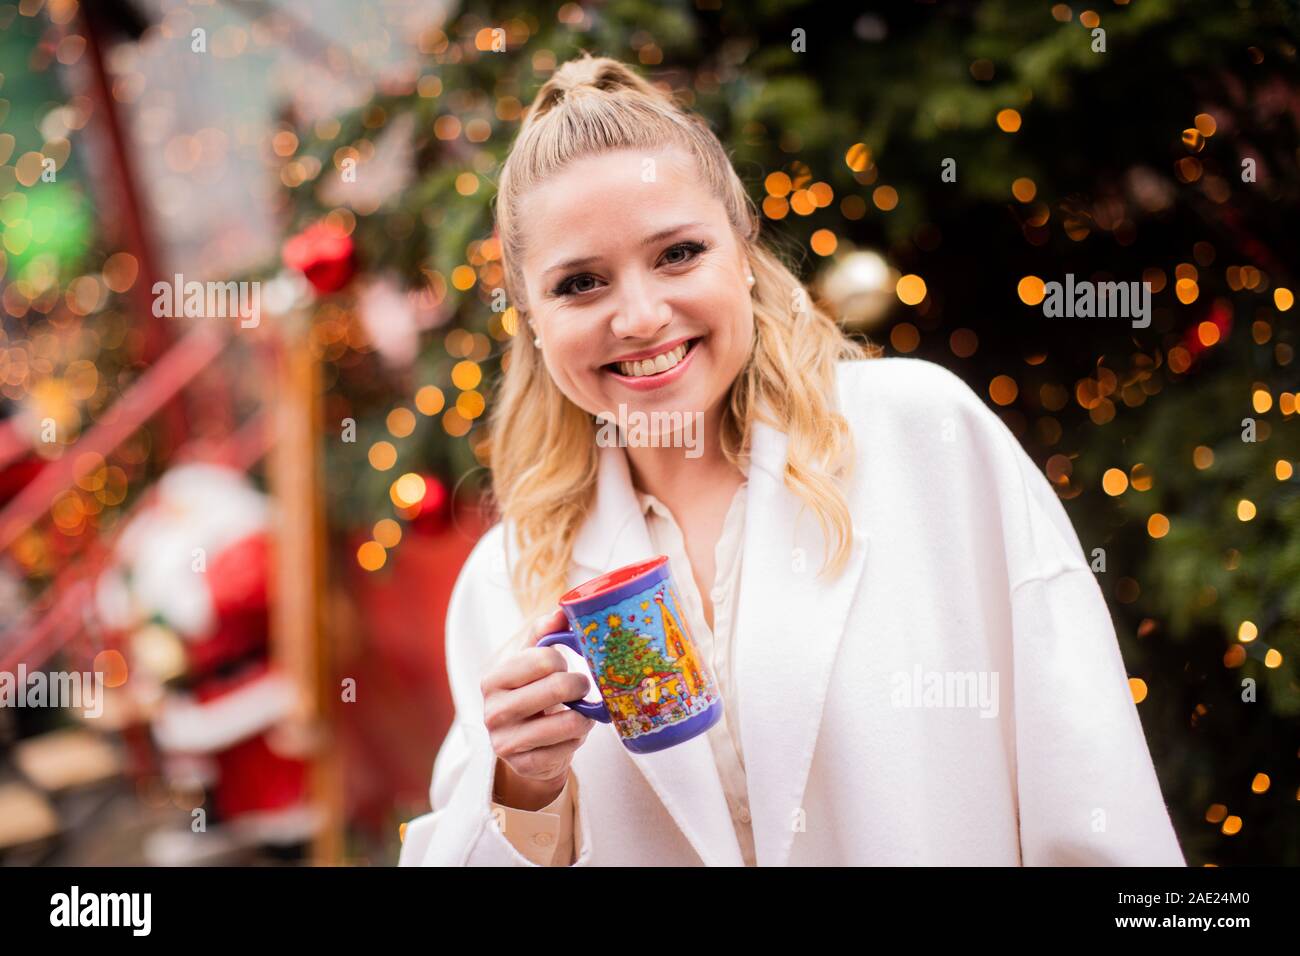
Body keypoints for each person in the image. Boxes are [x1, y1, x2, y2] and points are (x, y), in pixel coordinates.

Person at [397, 53, 1185, 867]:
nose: (638, 317)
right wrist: (523, 795)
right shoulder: (507, 577)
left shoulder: (925, 440)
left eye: (677, 255)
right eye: (581, 284)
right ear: (529, 316)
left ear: (743, 252)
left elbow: (1091, 795)